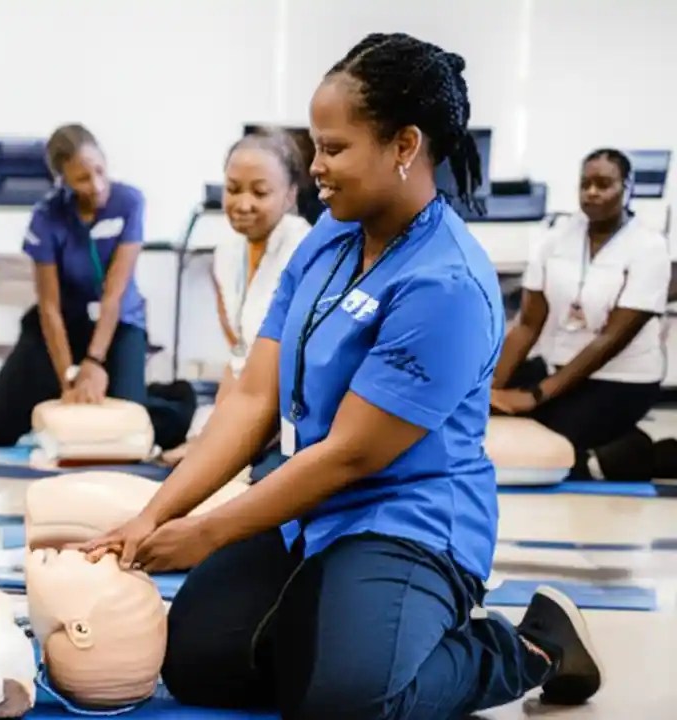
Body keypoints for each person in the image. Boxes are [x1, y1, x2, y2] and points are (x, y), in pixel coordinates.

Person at [82, 33, 602, 719]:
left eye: (333, 148)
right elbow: (254, 397)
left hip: (406, 523)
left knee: (348, 705)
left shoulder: (444, 283)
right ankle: (342, 635)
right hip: (308, 512)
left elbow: (353, 455)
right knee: (199, 665)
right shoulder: (329, 236)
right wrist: (157, 512)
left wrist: (207, 533)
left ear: (404, 145)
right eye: (314, 147)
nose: (316, 167)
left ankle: (525, 648)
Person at [491, 148, 670, 477]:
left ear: (628, 188)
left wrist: (535, 396)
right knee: (485, 410)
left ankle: (645, 454)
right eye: (585, 184)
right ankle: (599, 438)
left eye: (604, 184)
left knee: (552, 444)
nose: (592, 192)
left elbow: (609, 340)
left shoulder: (649, 248)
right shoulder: (554, 240)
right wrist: (488, 391)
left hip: (619, 381)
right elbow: (528, 324)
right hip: (558, 368)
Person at [0, 124, 149, 447]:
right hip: (62, 326)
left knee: (130, 430)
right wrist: (68, 375)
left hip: (118, 324)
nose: (96, 185)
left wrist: (94, 363)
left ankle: (164, 397)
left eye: (99, 170)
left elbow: (114, 294)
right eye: (82, 178)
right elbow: (49, 307)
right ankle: (59, 388)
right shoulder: (46, 217)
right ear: (63, 179)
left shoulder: (130, 202)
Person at [161, 129, 312, 466]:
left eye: (260, 192)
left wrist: (222, 446)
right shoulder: (226, 253)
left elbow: (286, 364)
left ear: (289, 195)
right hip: (250, 398)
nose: (243, 204)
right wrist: (210, 436)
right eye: (232, 190)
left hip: (291, 404)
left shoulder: (306, 249)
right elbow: (239, 353)